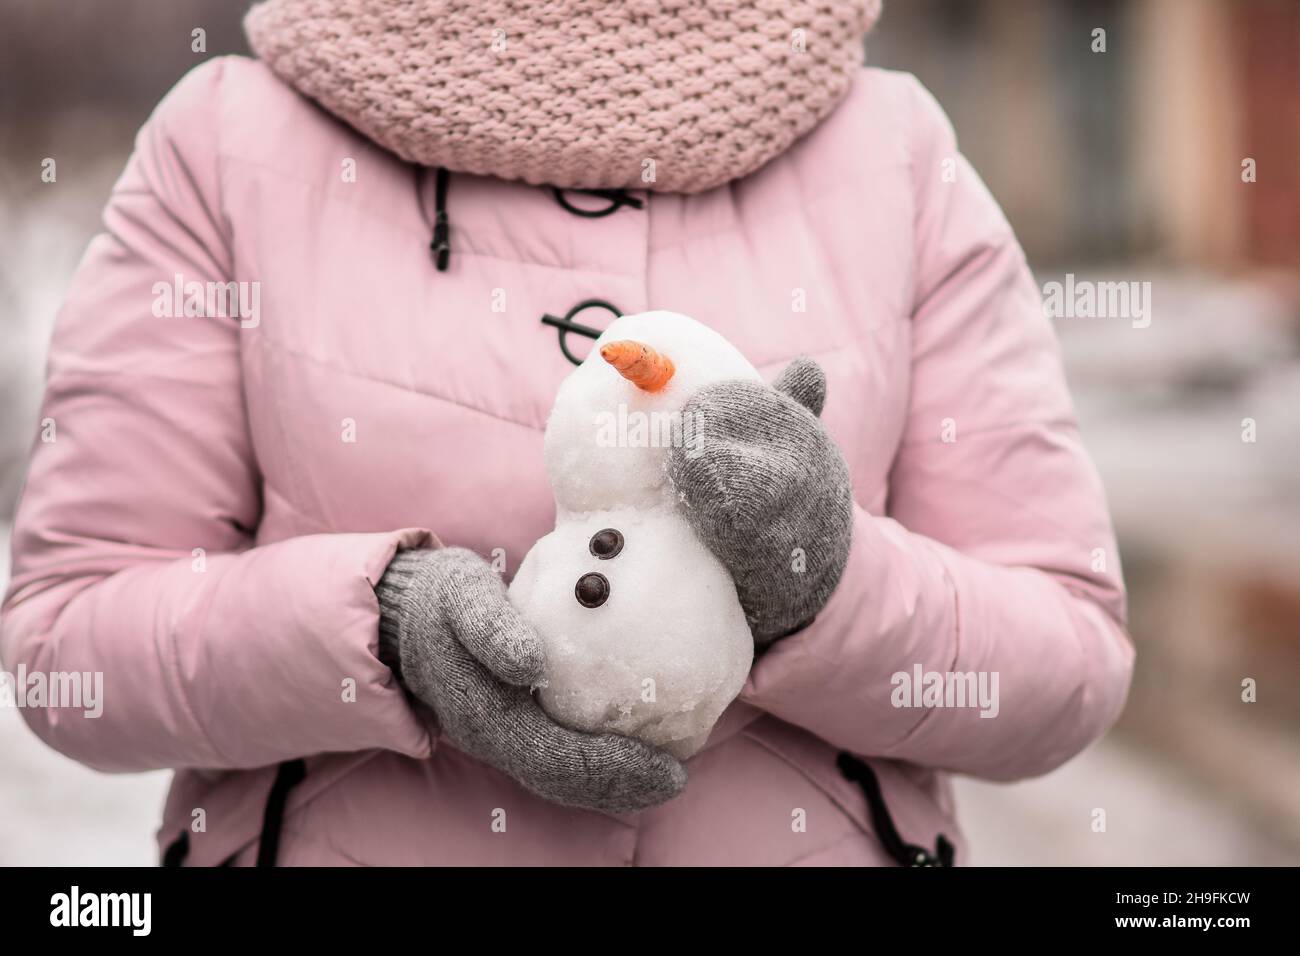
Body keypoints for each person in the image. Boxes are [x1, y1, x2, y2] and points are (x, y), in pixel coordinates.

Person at [0, 0, 1133, 866]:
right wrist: (382, 632)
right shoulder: (228, 146)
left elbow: (1065, 658)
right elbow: (72, 638)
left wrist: (813, 583)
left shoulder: (891, 152)